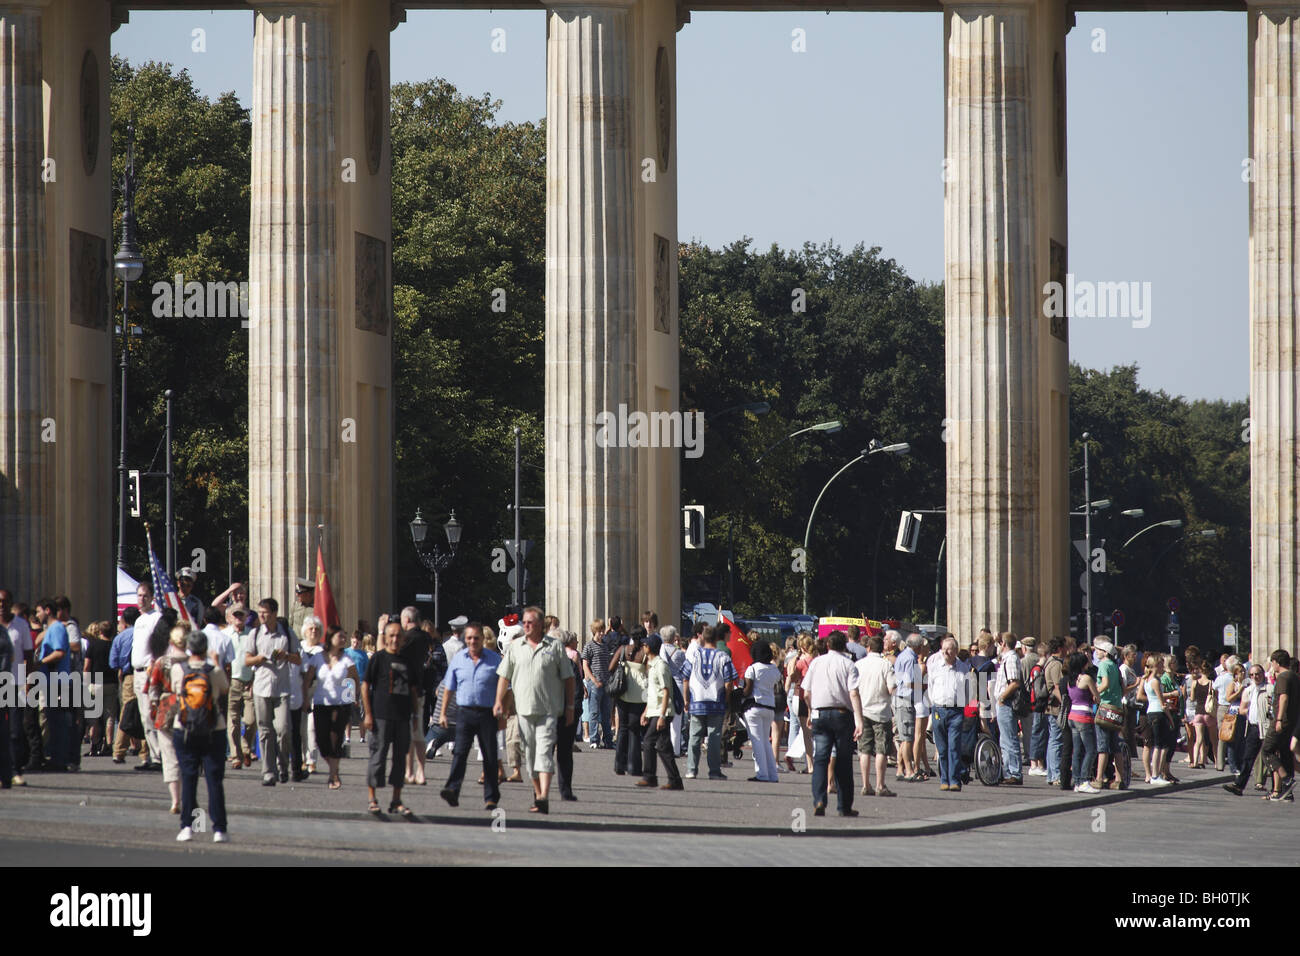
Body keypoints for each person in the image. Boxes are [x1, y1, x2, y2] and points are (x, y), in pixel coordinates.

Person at [494, 607, 573, 814]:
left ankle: (544, 796)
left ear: (539, 625)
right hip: (524, 711)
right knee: (530, 757)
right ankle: (538, 794)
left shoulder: (555, 646)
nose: (526, 625)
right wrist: (498, 701)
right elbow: (504, 676)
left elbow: (569, 678)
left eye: (530, 622)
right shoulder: (515, 647)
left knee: (545, 752)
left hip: (549, 711)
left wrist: (570, 706)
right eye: (525, 622)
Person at [172, 629, 230, 843]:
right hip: (213, 728)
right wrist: (216, 663)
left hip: (185, 728)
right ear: (205, 648)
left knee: (189, 778)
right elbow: (224, 689)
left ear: (189, 648)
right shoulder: (213, 671)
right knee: (214, 780)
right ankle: (219, 829)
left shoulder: (179, 669)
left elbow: (176, 690)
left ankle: (188, 826)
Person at [439, 622, 503, 810]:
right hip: (465, 712)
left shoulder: (494, 659)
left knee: (490, 755)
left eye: (476, 638)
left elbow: (504, 685)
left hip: (487, 713)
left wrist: (502, 709)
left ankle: (491, 797)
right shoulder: (459, 659)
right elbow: (449, 688)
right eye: (469, 638)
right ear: (464, 639)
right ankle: (452, 789)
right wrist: (442, 713)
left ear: (483, 639)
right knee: (460, 752)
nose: (473, 641)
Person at [802, 631, 863, 816]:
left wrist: (811, 711)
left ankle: (819, 799)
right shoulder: (848, 664)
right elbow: (853, 693)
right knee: (843, 761)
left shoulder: (816, 663)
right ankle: (844, 806)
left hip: (820, 713)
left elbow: (805, 692)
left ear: (827, 645)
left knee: (820, 758)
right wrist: (859, 720)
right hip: (842, 714)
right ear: (844, 646)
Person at [246, 598, 300, 786]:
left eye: (265, 612)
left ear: (274, 613)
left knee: (284, 729)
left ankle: (283, 765)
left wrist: (286, 655)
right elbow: (247, 660)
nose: (261, 615)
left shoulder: (287, 633)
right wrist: (258, 658)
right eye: (259, 612)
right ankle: (268, 772)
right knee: (265, 731)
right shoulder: (255, 633)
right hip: (261, 687)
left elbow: (298, 659)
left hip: (282, 688)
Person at [362, 620, 414, 815]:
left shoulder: (407, 661)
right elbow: (365, 685)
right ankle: (372, 798)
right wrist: (368, 714)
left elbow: (414, 689)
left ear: (403, 639)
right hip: (380, 716)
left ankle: (396, 800)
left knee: (400, 759)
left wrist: (415, 716)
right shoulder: (378, 658)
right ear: (385, 637)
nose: (395, 639)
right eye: (391, 635)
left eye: (398, 636)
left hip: (402, 716)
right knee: (378, 756)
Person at [680, 625, 737, 780]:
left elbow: (684, 677)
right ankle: (714, 771)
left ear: (703, 638)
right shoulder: (723, 657)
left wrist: (686, 699)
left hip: (697, 700)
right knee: (714, 737)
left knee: (694, 736)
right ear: (717, 638)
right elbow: (729, 681)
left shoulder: (694, 655)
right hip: (716, 701)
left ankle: (691, 769)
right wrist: (725, 697)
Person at [146, 623, 190, 813]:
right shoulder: (195, 661)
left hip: (166, 705)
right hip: (189, 707)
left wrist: (153, 705)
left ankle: (175, 800)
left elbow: (152, 688)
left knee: (169, 755)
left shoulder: (162, 661)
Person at [313, 625, 359, 790]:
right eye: (340, 636)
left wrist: (352, 697)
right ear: (331, 638)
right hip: (321, 703)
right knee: (321, 740)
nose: (343, 639)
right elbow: (307, 679)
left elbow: (354, 679)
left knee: (336, 738)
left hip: (341, 705)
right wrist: (305, 698)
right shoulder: (318, 657)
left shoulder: (347, 658)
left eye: (344, 636)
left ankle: (333, 774)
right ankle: (334, 768)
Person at [638, 634, 682, 790]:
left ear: (649, 648)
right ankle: (674, 779)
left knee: (649, 741)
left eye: (644, 645)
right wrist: (645, 712)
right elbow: (653, 694)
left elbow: (665, 691)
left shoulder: (661, 666)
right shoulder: (653, 665)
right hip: (655, 710)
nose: (643, 647)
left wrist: (662, 716)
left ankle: (650, 777)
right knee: (664, 747)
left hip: (662, 711)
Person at [854, 633, 895, 797]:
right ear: (882, 648)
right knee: (881, 750)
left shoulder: (858, 665)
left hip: (862, 711)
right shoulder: (886, 665)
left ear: (868, 648)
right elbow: (892, 688)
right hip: (881, 712)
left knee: (864, 750)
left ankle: (865, 784)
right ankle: (880, 784)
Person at [1224, 661, 1270, 797]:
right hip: (1253, 726)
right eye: (1252, 675)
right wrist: (1249, 709)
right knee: (1248, 757)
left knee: (1271, 757)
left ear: (1263, 674)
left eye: (1257, 674)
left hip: (1267, 726)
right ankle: (1239, 785)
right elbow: (1242, 709)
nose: (1255, 677)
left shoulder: (1269, 688)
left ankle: (1278, 787)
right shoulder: (1249, 690)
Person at [928, 636, 967, 792]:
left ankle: (954, 780)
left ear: (955, 651)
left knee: (954, 746)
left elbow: (968, 688)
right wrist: (935, 704)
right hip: (939, 709)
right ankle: (944, 779)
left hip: (956, 711)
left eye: (948, 648)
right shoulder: (935, 667)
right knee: (942, 748)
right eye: (943, 648)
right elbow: (930, 688)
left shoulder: (963, 667)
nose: (944, 651)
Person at [740, 640, 780, 783]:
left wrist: (739, 692)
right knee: (765, 742)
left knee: (757, 741)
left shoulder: (753, 669)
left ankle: (762, 774)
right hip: (769, 707)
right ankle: (772, 774)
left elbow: (748, 690)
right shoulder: (774, 669)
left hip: (754, 707)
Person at [611, 627, 648, 777]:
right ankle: (634, 766)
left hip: (623, 693)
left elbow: (610, 667)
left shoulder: (623, 649)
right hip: (639, 695)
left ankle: (619, 764)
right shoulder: (645, 653)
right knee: (635, 730)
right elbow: (649, 673)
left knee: (623, 729)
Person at [1262, 649, 1298, 801]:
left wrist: (1278, 719)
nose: (1271, 666)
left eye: (1272, 662)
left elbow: (1283, 698)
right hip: (1292, 721)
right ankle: (1287, 793)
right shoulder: (1295, 677)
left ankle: (1286, 779)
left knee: (1267, 750)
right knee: (1285, 754)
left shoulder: (1283, 677)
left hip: (1281, 721)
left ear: (1276, 662)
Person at [1061, 651, 1099, 793]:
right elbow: (1097, 697)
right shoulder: (1086, 678)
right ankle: (1084, 780)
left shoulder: (1070, 679)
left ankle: (1077, 781)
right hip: (1084, 716)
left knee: (1076, 750)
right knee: (1091, 750)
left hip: (1072, 716)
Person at [226, 607, 257, 769]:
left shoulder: (252, 634)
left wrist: (254, 678)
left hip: (249, 680)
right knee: (233, 720)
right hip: (231, 680)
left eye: (241, 615)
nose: (238, 618)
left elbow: (257, 658)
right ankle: (236, 755)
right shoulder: (225, 635)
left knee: (251, 720)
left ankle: (246, 747)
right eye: (235, 615)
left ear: (246, 617)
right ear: (230, 618)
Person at [992, 631, 1024, 785]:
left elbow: (1015, 682)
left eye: (1000, 643)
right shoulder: (1007, 657)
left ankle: (1014, 773)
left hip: (1006, 703)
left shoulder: (1011, 658)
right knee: (1004, 739)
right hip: (1003, 703)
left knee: (1009, 739)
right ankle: (1009, 771)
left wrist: (1002, 697)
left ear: (1004, 644)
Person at [1092, 638, 1124, 789]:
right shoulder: (1115, 666)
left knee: (1103, 746)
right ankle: (1119, 779)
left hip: (1105, 708)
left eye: (1098, 649)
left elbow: (1104, 684)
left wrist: (1094, 693)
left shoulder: (1103, 664)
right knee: (1115, 746)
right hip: (1117, 708)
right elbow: (1122, 687)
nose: (1096, 652)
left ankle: (1098, 778)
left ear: (1105, 653)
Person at [1142, 653, 1174, 786]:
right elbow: (1161, 702)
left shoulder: (1147, 679)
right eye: (1161, 664)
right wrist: (1170, 717)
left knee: (1157, 744)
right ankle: (1155, 775)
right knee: (1158, 745)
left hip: (1151, 711)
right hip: (1158, 712)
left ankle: (1155, 774)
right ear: (1155, 665)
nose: (1163, 666)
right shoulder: (1155, 681)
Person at [581, 618, 613, 749]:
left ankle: (608, 740)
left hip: (606, 682)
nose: (601, 633)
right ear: (594, 631)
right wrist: (593, 680)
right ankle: (594, 738)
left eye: (602, 631)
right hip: (595, 683)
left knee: (606, 713)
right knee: (594, 712)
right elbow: (585, 665)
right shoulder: (589, 646)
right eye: (599, 631)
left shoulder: (605, 645)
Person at [892, 631, 920, 782]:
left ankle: (900, 769)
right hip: (905, 699)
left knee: (904, 738)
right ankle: (908, 770)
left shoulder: (903, 655)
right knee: (907, 738)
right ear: (917, 646)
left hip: (900, 698)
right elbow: (909, 682)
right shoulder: (910, 659)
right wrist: (922, 687)